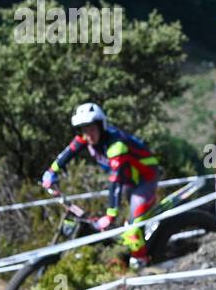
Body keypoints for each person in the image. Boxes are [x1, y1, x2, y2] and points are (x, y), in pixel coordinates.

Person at [42, 104, 160, 271]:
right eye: (84, 129)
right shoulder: (85, 138)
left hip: (144, 179)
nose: (88, 134)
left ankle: (141, 264)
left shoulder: (116, 145)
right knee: (129, 222)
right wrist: (51, 171)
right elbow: (67, 154)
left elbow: (115, 181)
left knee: (132, 227)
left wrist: (110, 215)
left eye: (91, 128)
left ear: (101, 126)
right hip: (128, 180)